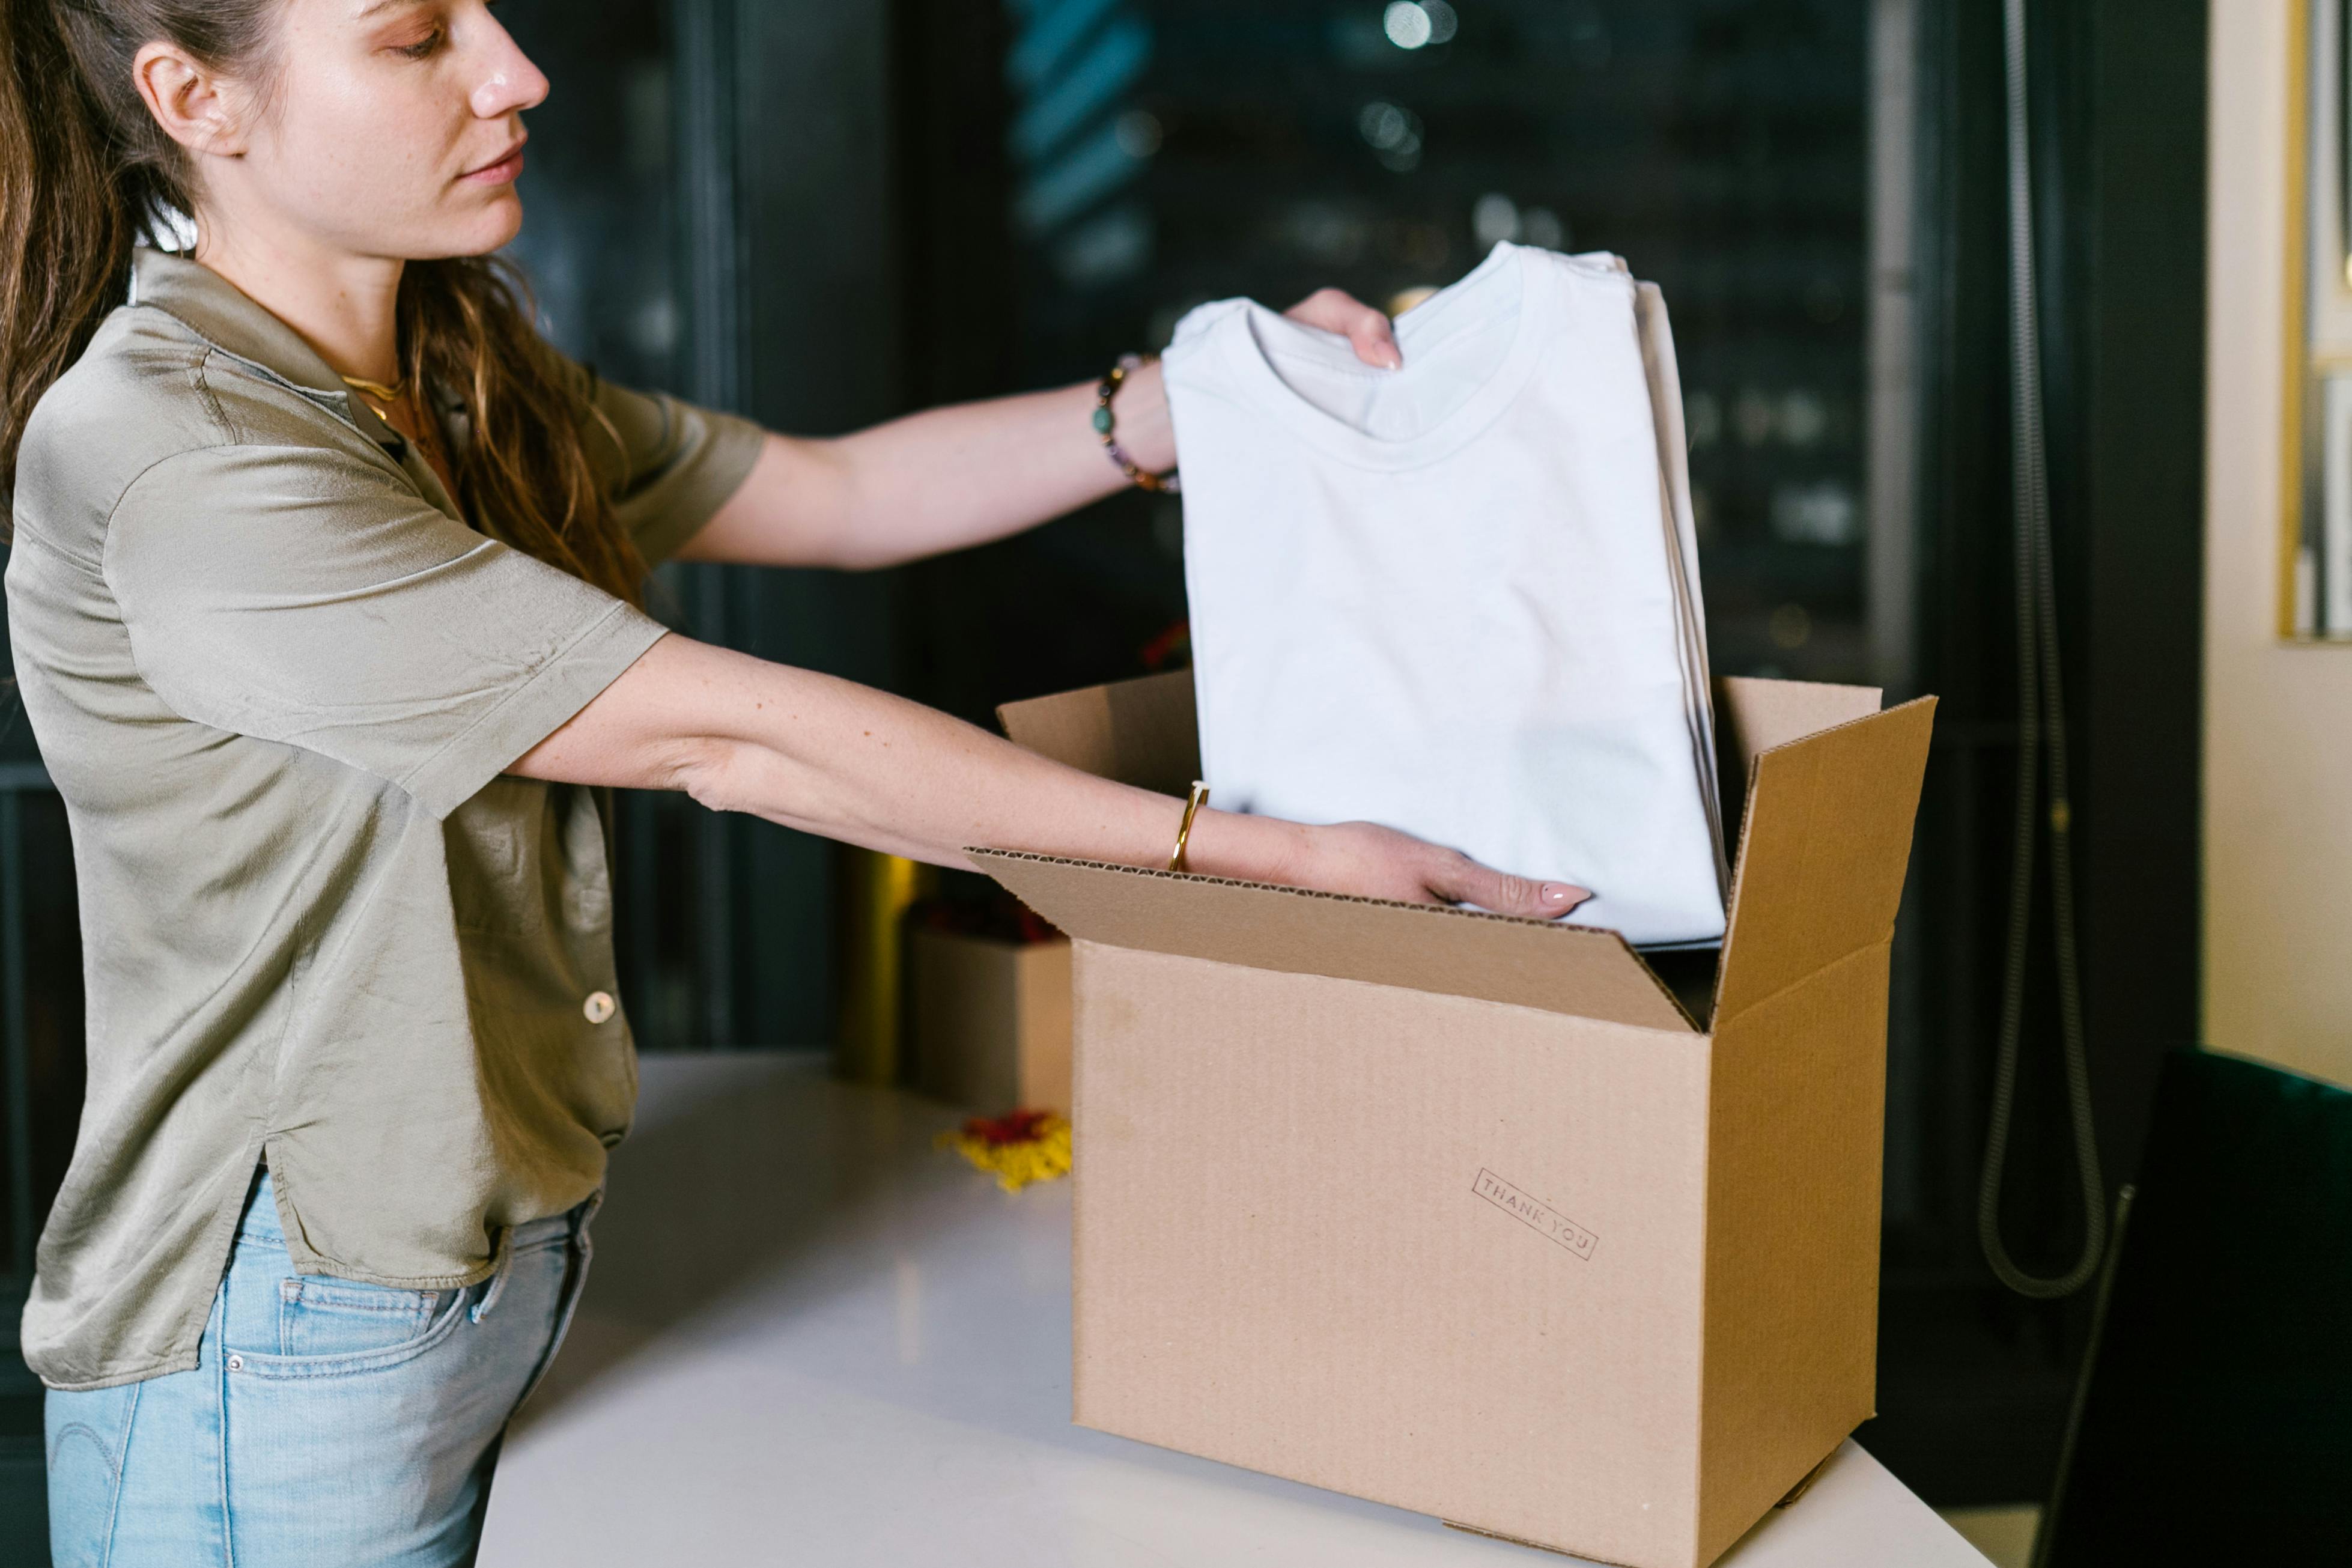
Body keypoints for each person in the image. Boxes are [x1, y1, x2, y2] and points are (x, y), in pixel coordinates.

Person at [0, 2, 1591, 1562]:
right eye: (419, 38)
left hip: (478, 1255)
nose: (517, 69)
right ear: (196, 100)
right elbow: (733, 738)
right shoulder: (181, 465)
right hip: (281, 1313)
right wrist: (1274, 859)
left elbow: (833, 492)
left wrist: (1189, 400)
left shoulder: (455, 369)